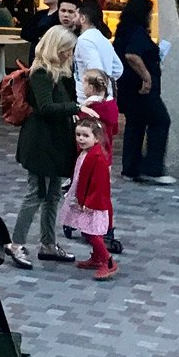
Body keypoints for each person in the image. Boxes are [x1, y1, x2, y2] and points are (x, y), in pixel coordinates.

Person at [8, 25, 80, 269]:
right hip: (40, 144)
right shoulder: (41, 73)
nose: (69, 55)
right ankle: (16, 243)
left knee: (53, 194)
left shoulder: (60, 74)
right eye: (66, 50)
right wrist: (77, 108)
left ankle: (48, 243)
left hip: (55, 143)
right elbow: (47, 108)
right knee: (36, 193)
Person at [114, 0, 174, 184]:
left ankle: (130, 168)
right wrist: (146, 77)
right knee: (160, 120)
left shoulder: (123, 31)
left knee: (135, 125)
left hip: (127, 88)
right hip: (142, 89)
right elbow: (132, 55)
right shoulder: (138, 33)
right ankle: (153, 167)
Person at [62, 113, 117, 280]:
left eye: (85, 135)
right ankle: (96, 257)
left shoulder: (97, 158)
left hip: (92, 203)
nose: (80, 139)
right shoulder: (85, 153)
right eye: (78, 135)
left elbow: (99, 185)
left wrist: (89, 202)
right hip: (83, 199)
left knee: (91, 232)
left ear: (96, 138)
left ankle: (108, 261)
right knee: (86, 230)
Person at [68, 0, 124, 96]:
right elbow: (118, 68)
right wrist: (107, 83)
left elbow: (95, 71)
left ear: (83, 19)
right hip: (105, 96)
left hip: (90, 99)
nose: (73, 19)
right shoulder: (103, 39)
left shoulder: (84, 40)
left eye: (76, 15)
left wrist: (95, 91)